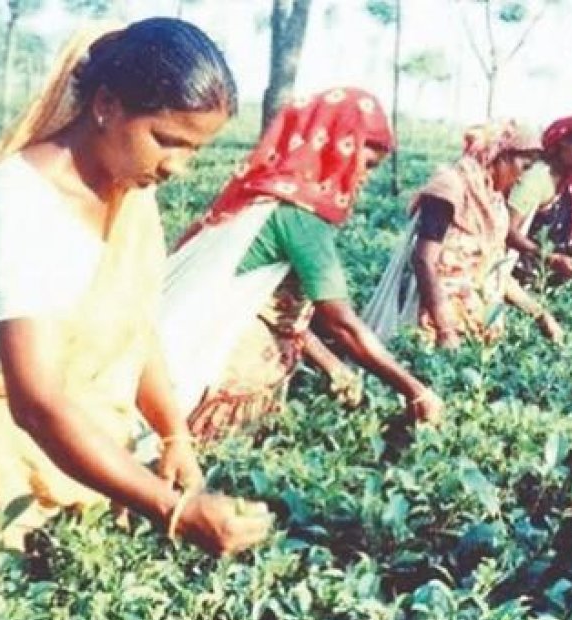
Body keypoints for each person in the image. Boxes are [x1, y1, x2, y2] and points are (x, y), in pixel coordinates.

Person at [0, 19, 272, 576]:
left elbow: (133, 325)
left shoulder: (126, 189)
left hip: (86, 451)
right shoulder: (21, 206)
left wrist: (175, 434)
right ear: (105, 106)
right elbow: (38, 404)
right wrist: (177, 512)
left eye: (194, 150)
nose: (177, 167)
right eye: (167, 140)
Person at [170, 88, 444, 443]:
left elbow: (276, 308)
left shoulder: (269, 195)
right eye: (367, 164)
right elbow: (341, 323)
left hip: (210, 351)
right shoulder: (300, 216)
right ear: (335, 147)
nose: (365, 177)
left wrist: (331, 365)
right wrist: (414, 390)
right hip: (227, 368)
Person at [406, 122, 564, 349]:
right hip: (434, 326)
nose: (521, 179)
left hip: (475, 331)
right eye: (524, 166)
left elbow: (493, 272)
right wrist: (445, 328)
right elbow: (423, 260)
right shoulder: (451, 187)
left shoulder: (495, 203)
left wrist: (540, 314)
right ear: (500, 154)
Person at [505, 114, 572, 295]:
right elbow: (507, 231)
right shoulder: (536, 177)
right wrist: (549, 258)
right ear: (562, 143)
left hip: (548, 277)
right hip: (517, 275)